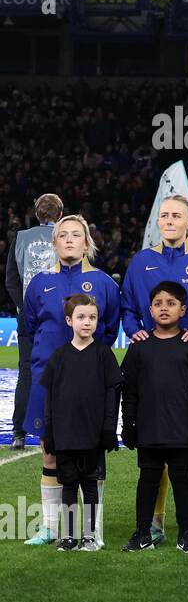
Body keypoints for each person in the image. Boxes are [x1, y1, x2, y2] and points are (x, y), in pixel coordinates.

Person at [121, 195, 188, 549]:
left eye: (176, 216)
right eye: (164, 215)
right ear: (158, 221)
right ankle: (154, 525)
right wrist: (133, 330)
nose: (169, 220)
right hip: (153, 366)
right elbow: (126, 309)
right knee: (155, 448)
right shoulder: (141, 262)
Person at [22, 214, 121, 547]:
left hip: (89, 382)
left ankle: (94, 530)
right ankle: (52, 527)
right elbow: (33, 328)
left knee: (93, 454)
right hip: (47, 380)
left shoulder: (105, 284)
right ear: (54, 243)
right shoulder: (38, 284)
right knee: (50, 453)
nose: (68, 240)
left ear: (86, 242)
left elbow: (109, 329)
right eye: (62, 235)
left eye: (75, 235)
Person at [120, 282, 188, 555]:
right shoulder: (139, 347)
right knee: (147, 480)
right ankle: (142, 532)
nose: (164, 308)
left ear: (183, 309)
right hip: (149, 430)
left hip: (182, 431)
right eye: (158, 303)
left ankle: (187, 533)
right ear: (149, 310)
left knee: (182, 480)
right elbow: (130, 391)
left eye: (171, 303)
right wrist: (129, 425)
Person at [39, 294, 122, 552]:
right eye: (81, 317)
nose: (87, 322)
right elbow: (50, 397)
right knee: (68, 485)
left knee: (90, 485)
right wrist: (50, 431)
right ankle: (68, 536)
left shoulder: (104, 355)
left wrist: (109, 428)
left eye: (93, 318)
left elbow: (113, 394)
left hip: (93, 434)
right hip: (65, 434)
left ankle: (89, 536)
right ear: (69, 320)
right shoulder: (59, 356)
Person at [5, 192, 63, 449]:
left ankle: (19, 433)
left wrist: (22, 306)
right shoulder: (65, 237)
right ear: (60, 214)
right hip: (58, 316)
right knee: (61, 371)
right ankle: (57, 428)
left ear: (36, 213)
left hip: (27, 317)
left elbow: (11, 280)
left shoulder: (20, 238)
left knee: (27, 372)